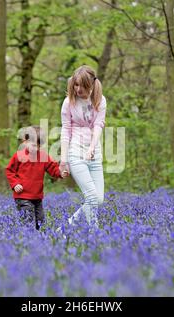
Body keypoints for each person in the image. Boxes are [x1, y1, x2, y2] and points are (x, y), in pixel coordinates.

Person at [59, 65, 106, 227]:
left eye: (82, 85)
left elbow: (99, 125)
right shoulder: (68, 102)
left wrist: (93, 148)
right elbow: (65, 130)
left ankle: (65, 228)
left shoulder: (100, 100)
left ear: (91, 84)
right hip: (76, 153)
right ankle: (95, 234)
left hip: (95, 154)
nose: (78, 89)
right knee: (92, 197)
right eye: (75, 84)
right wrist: (63, 161)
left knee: (98, 199)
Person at [6, 126, 68, 230]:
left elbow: (53, 168)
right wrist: (15, 184)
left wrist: (61, 173)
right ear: (25, 142)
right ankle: (27, 241)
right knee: (28, 221)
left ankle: (38, 242)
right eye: (33, 145)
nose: (36, 148)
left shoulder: (43, 157)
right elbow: (9, 171)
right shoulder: (18, 156)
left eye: (38, 146)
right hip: (22, 196)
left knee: (40, 222)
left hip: (37, 197)